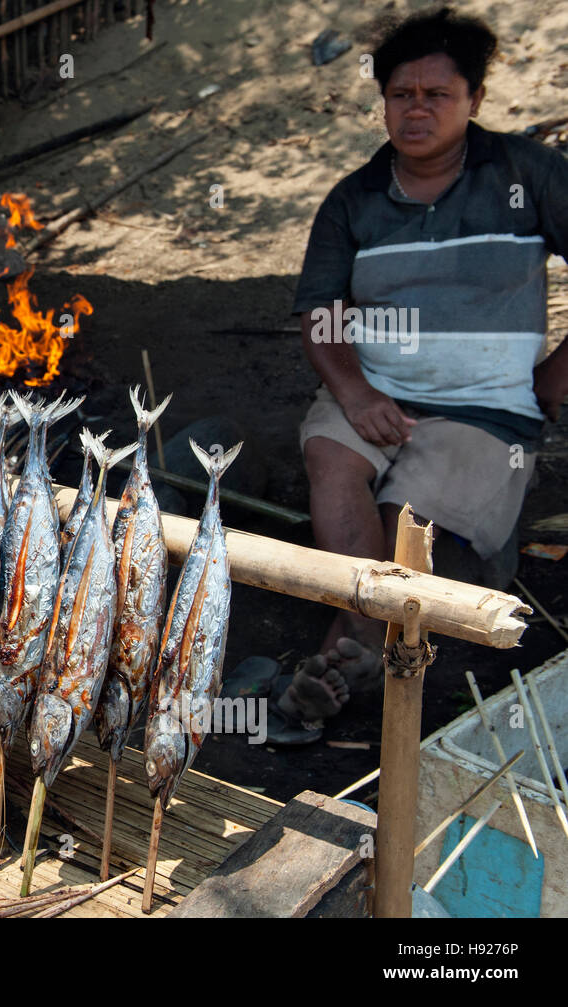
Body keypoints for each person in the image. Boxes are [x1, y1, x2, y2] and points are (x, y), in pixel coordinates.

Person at [278, 6, 568, 729]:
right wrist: (354, 389)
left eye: (437, 95)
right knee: (332, 454)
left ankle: (345, 650)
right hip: (373, 388)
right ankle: (363, 648)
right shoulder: (355, 199)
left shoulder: (526, 174)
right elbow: (321, 314)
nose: (417, 109)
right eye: (401, 95)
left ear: (473, 100)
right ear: (383, 103)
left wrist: (554, 381)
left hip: (487, 411)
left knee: (401, 516)